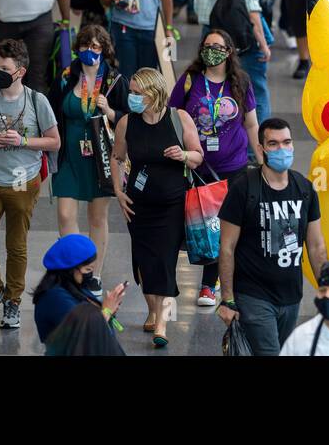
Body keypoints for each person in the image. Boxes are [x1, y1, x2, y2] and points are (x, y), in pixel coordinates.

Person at [0, 38, 62, 330]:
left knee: (16, 244)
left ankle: (13, 299)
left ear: (20, 71)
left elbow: (55, 141)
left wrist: (23, 141)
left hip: (23, 180)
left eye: (4, 68)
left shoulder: (37, 101)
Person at [217, 117, 327, 355]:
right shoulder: (244, 188)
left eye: (287, 142)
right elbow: (227, 247)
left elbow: (316, 246)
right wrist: (227, 299)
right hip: (253, 295)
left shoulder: (305, 189)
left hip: (291, 296)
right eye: (274, 144)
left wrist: (328, 291)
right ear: (261, 148)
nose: (282, 149)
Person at [111, 67, 201, 348]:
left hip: (172, 204)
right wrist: (117, 190)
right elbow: (117, 157)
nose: (133, 98)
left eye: (138, 93)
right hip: (138, 204)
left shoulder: (179, 118)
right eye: (132, 93)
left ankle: (162, 322)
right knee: (144, 260)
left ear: (155, 93)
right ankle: (152, 309)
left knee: (164, 260)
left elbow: (198, 156)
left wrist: (183, 154)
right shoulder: (127, 122)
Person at [171, 28, 261, 305]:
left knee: (222, 226)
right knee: (198, 225)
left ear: (229, 52)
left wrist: (260, 158)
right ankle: (174, 283)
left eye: (217, 46)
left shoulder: (241, 82)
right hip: (197, 166)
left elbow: (251, 123)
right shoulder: (190, 80)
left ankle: (209, 285)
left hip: (233, 167)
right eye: (206, 45)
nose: (211, 50)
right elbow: (173, 115)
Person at [49, 25, 125, 268]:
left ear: (104, 49)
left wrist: (109, 111)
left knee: (97, 216)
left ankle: (93, 273)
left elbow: (129, 119)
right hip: (68, 155)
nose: (89, 51)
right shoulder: (66, 76)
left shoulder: (114, 80)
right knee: (64, 214)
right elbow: (50, 110)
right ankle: (75, 269)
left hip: (101, 158)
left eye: (95, 46)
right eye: (85, 45)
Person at [31, 234, 125, 351]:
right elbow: (86, 335)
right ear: (70, 269)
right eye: (88, 270)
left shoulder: (75, 287)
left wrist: (109, 309)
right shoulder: (54, 298)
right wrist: (106, 311)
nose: (90, 275)